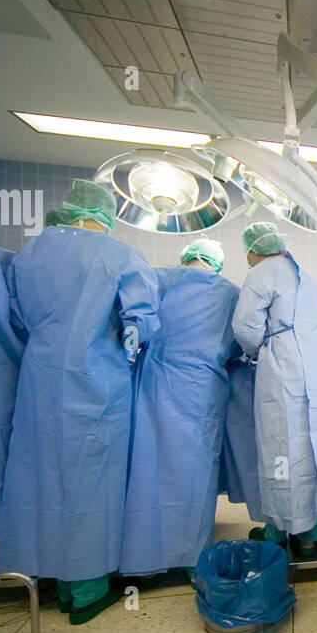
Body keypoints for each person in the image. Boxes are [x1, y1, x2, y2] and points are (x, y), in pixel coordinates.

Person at [0, 179, 160, 625]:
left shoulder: (29, 253)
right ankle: (86, 589)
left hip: (39, 378)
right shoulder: (117, 255)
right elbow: (142, 322)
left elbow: (16, 317)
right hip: (95, 378)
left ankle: (52, 577)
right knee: (91, 483)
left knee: (42, 476)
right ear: (104, 217)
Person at [120, 237, 238, 577]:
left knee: (147, 468)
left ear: (186, 257)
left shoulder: (156, 279)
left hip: (154, 384)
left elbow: (135, 328)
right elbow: (236, 344)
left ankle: (141, 563)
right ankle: (191, 559)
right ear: (216, 263)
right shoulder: (228, 292)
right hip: (201, 390)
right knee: (194, 476)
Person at [231, 222, 317, 556]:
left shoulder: (261, 272)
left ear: (254, 249)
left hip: (286, 366)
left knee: (284, 446)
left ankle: (279, 529)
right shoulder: (305, 275)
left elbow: (244, 327)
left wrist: (255, 354)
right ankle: (311, 533)